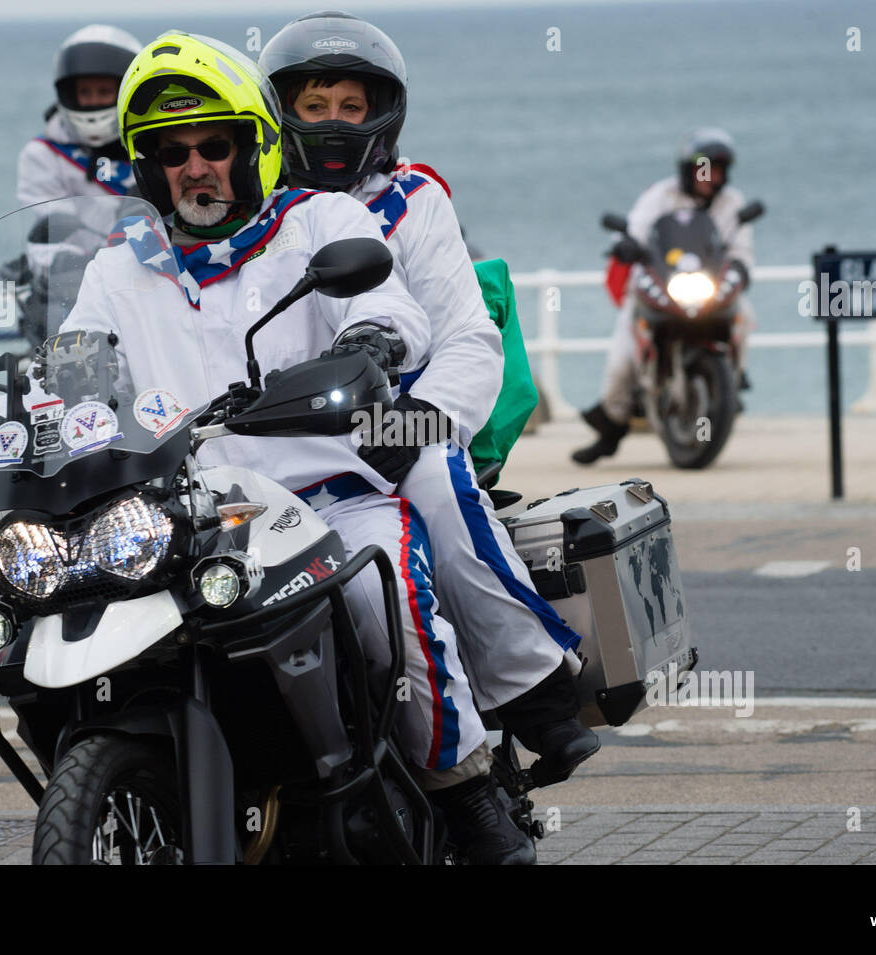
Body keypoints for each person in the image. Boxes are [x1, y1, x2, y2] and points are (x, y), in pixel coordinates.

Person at [59, 31, 534, 863]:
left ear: (253, 147)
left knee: (388, 610)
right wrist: (30, 418)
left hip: (329, 497)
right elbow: (75, 375)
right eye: (171, 152)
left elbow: (391, 309)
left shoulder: (320, 220)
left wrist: (373, 347)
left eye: (216, 145)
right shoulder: (117, 268)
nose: (196, 166)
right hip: (194, 522)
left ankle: (467, 792)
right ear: (146, 166)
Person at [259, 12, 599, 788]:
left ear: (383, 113)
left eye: (351, 105)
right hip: (277, 440)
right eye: (316, 107)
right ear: (283, 112)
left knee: (438, 485)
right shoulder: (258, 212)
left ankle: (533, 686)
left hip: (395, 420)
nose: (335, 122)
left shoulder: (414, 201)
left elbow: (470, 340)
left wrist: (421, 419)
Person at [573, 127, 755, 464]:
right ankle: (611, 429)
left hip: (707, 287)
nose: (710, 176)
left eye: (717, 168)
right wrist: (626, 245)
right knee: (621, 359)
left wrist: (741, 270)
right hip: (659, 284)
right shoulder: (660, 195)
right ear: (688, 168)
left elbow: (742, 251)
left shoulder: (733, 203)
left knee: (746, 316)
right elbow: (637, 230)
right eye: (704, 167)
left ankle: (733, 376)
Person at [16, 25, 144, 206]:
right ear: (69, 94)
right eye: (85, 92)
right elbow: (47, 217)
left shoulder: (149, 147)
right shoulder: (44, 153)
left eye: (104, 91)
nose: (94, 100)